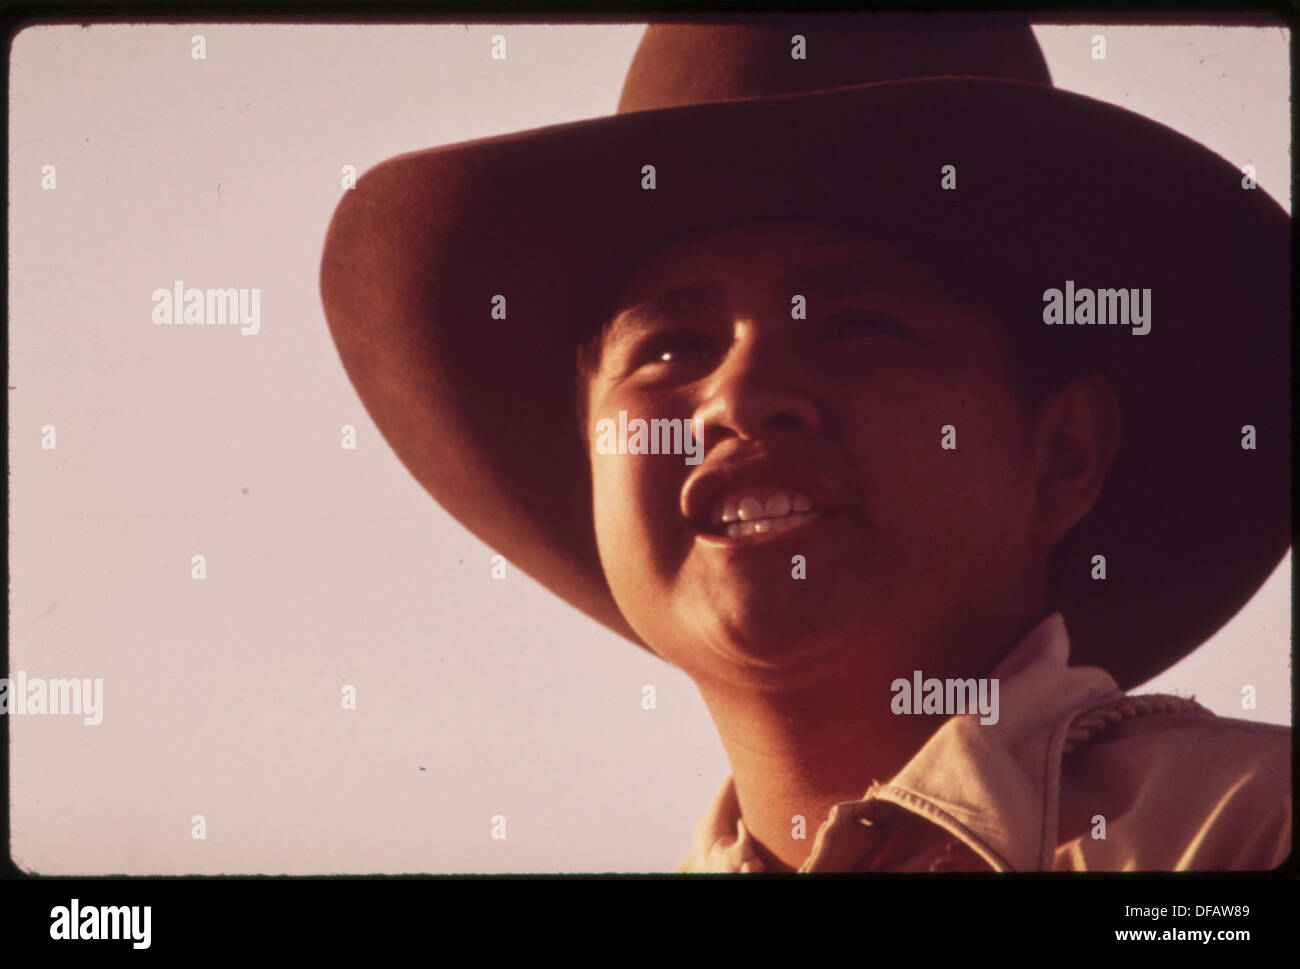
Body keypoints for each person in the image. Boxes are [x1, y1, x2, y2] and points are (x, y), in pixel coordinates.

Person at [320, 16, 1291, 872]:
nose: (739, 397)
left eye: (857, 325)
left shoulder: (1241, 840)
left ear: (1062, 454)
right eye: (670, 348)